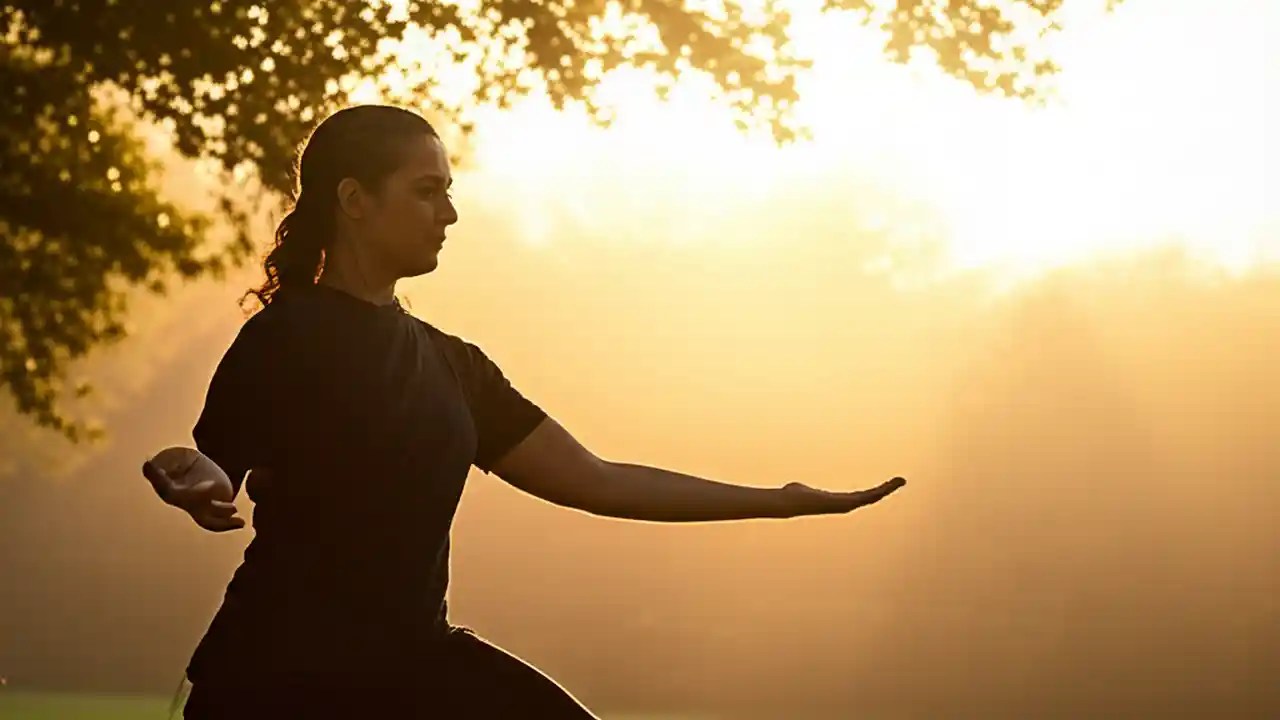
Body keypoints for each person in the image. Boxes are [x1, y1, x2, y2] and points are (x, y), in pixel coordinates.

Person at [142, 104, 908, 719]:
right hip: (278, 679)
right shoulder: (287, 335)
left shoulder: (456, 366)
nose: (449, 212)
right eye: (426, 190)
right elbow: (219, 465)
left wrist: (780, 504)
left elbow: (600, 481)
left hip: (416, 667)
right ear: (353, 200)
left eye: (448, 191)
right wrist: (191, 475)